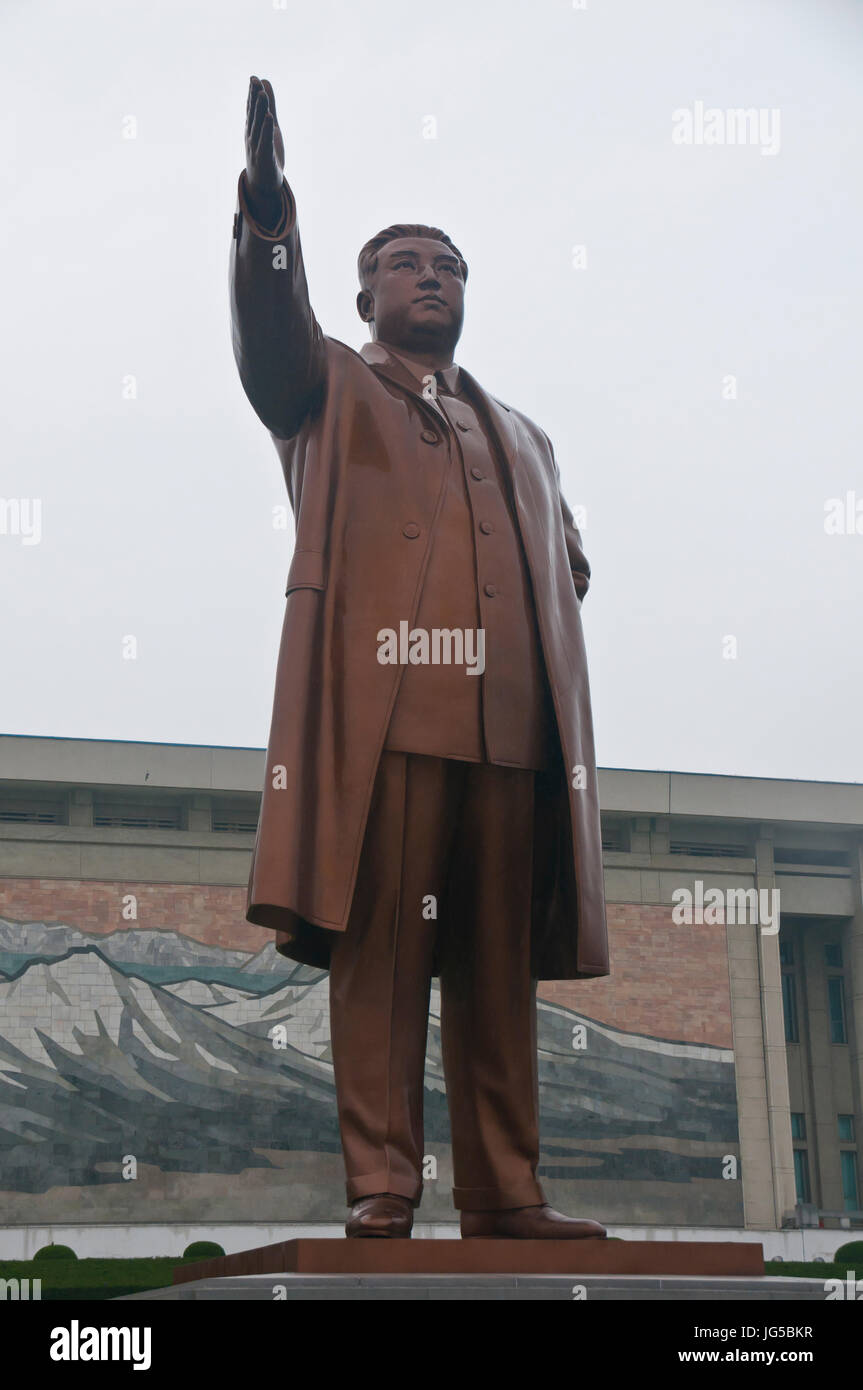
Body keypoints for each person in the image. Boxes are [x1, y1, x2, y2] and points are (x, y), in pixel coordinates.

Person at [231, 76, 610, 1239]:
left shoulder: (525, 435)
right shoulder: (329, 388)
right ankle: (384, 1182)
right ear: (363, 293)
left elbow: (570, 568)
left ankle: (506, 1191)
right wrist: (267, 223)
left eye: (446, 263)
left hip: (512, 736)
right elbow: (269, 337)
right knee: (386, 959)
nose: (430, 274)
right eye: (403, 261)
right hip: (391, 721)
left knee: (497, 975)